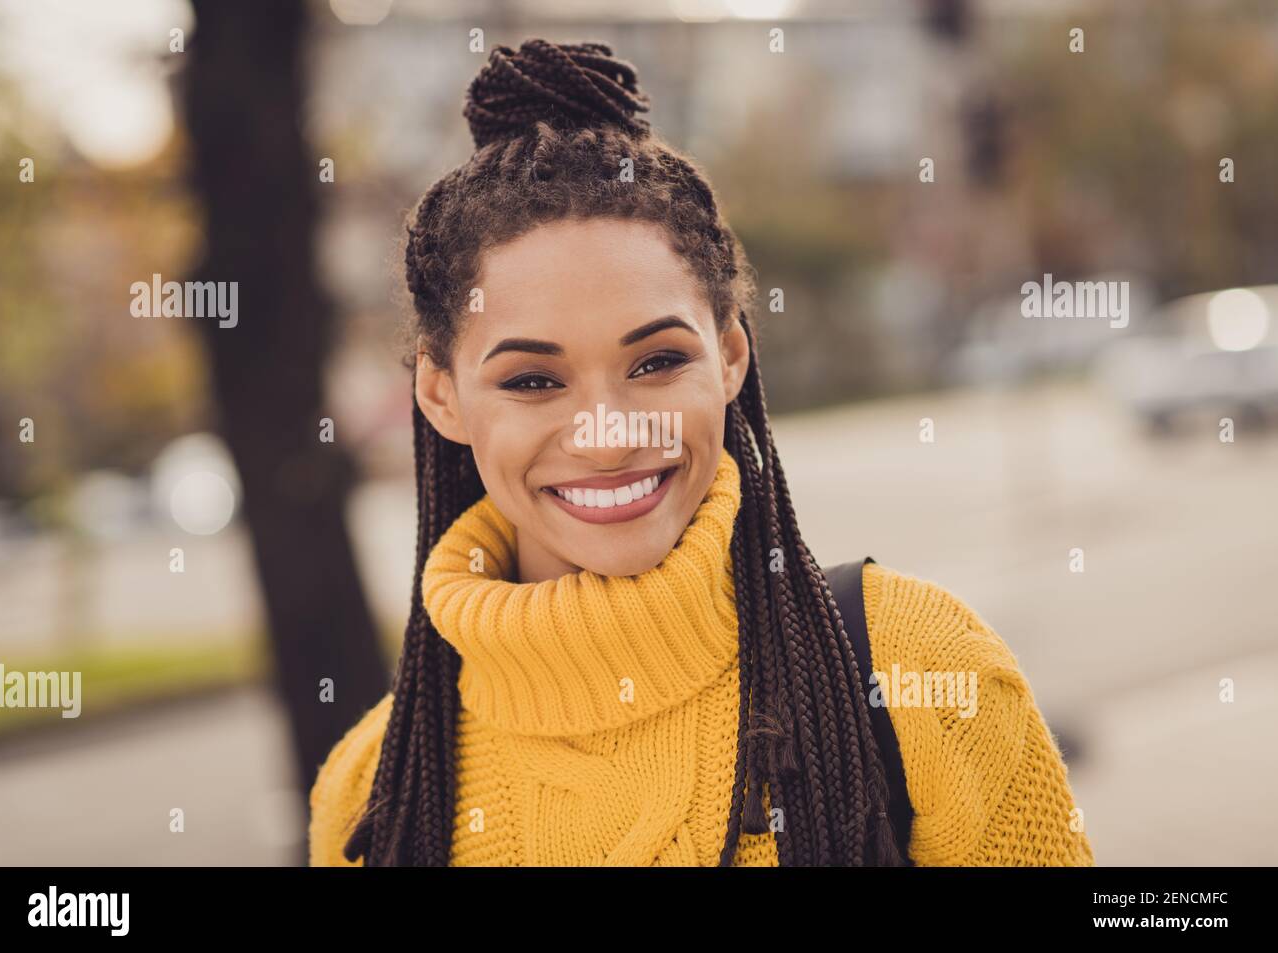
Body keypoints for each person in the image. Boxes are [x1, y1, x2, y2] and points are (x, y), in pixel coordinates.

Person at [307, 38, 1094, 867]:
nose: (608, 434)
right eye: (534, 381)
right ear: (439, 395)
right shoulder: (373, 795)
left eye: (655, 362)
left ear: (729, 356)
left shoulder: (921, 672)